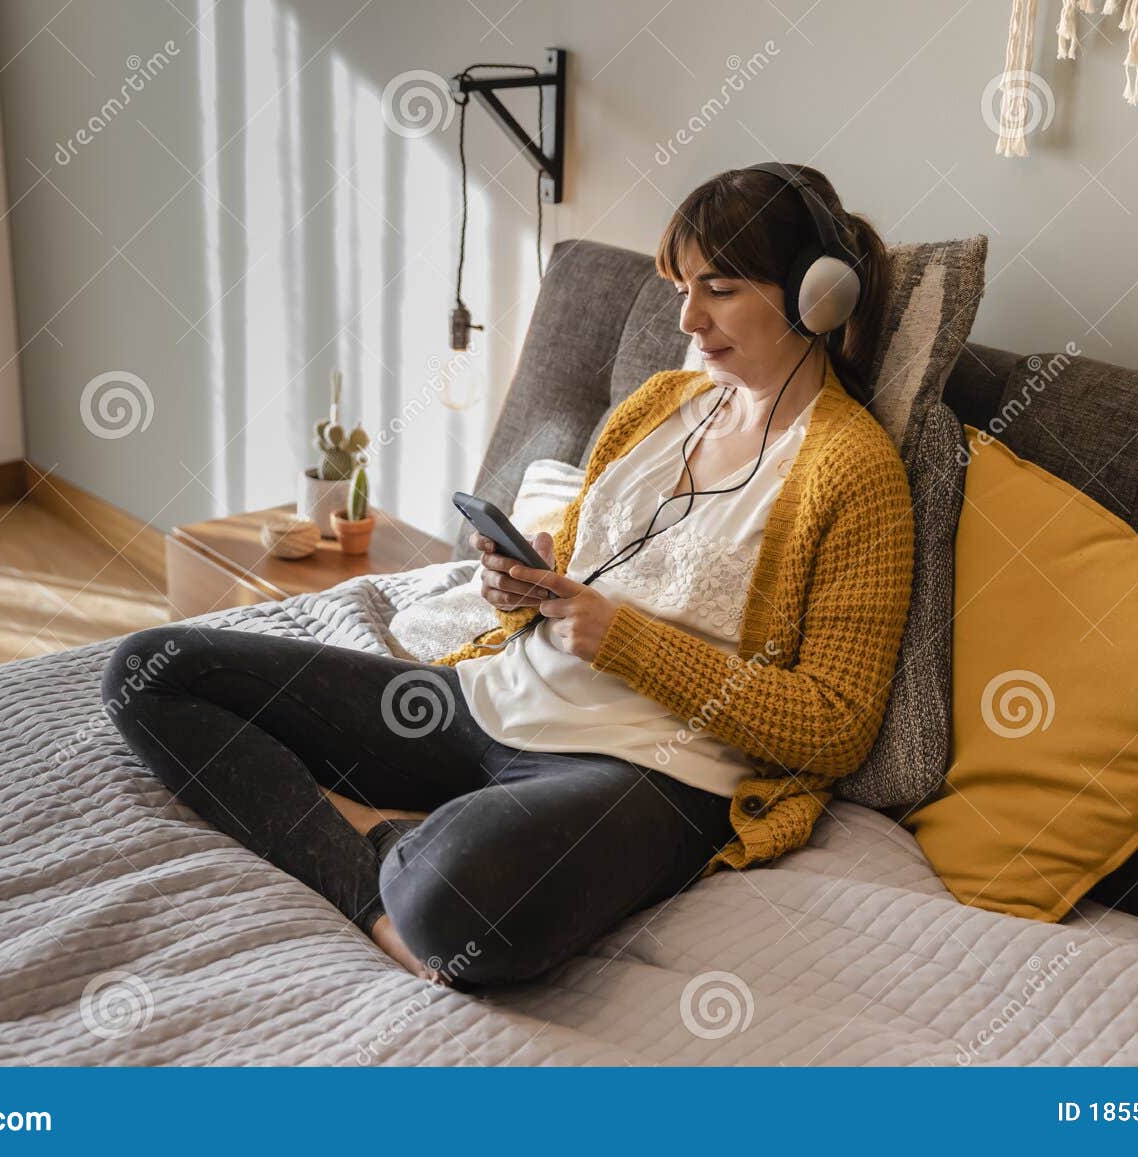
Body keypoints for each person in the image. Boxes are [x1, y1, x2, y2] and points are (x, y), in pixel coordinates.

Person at [102, 163, 913, 990]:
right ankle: (381, 874)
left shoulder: (853, 469)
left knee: (458, 905)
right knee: (149, 673)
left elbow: (837, 723)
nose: (689, 317)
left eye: (722, 288)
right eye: (682, 287)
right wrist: (529, 582)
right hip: (492, 700)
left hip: (647, 769)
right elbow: (596, 559)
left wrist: (621, 639)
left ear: (819, 297)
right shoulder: (661, 403)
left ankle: (383, 855)